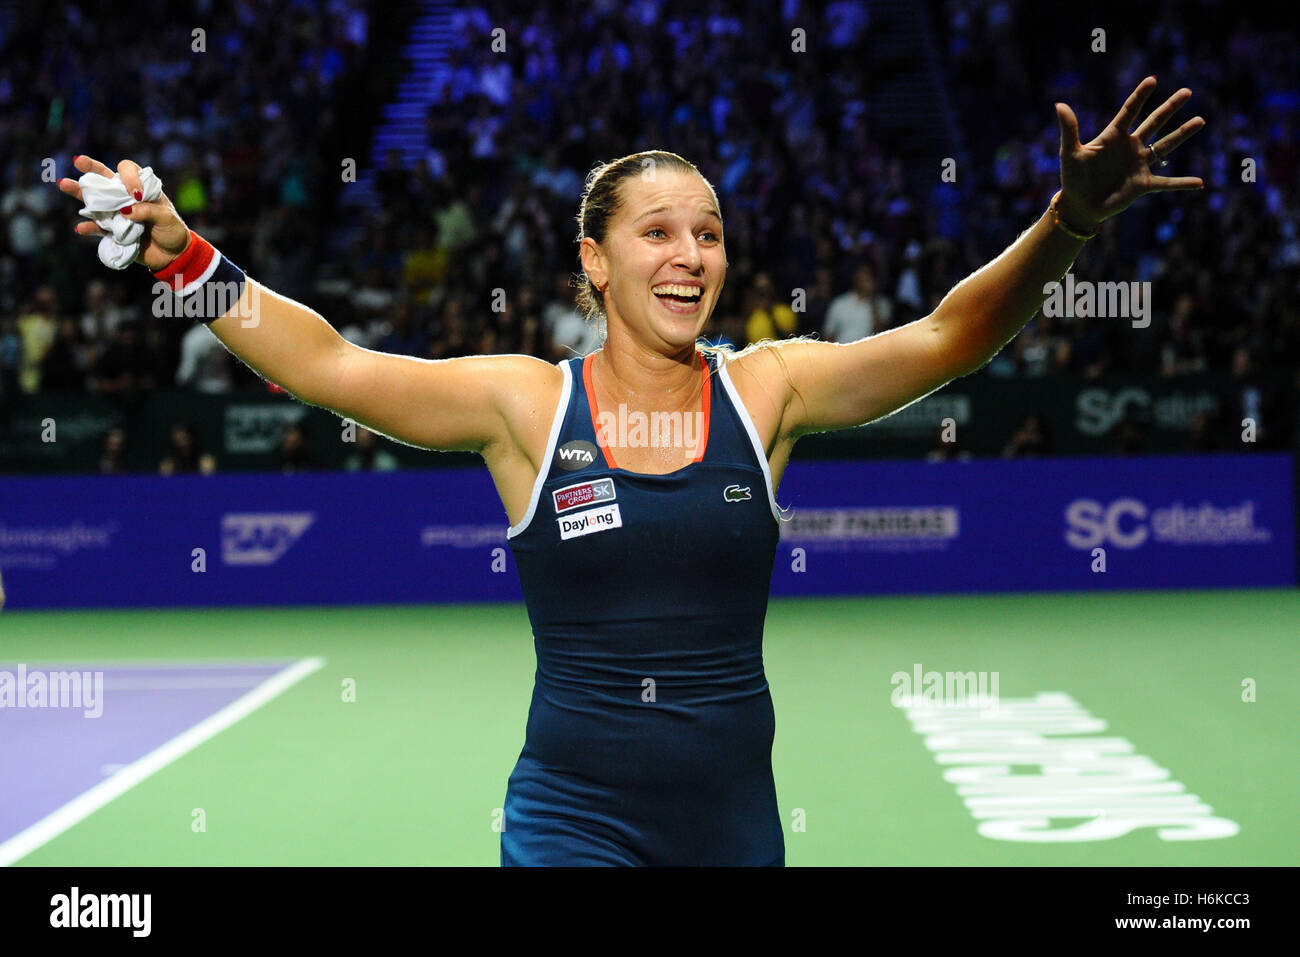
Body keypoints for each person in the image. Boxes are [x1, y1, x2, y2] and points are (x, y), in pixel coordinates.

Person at [59, 78, 1204, 865]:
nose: (690, 255)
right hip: (569, 822)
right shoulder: (523, 405)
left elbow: (952, 336)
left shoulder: (769, 392)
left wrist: (1069, 220)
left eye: (706, 233)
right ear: (593, 264)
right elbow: (330, 364)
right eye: (657, 232)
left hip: (735, 828)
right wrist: (188, 258)